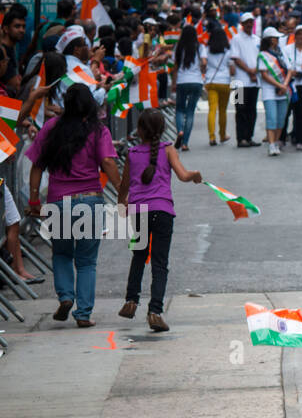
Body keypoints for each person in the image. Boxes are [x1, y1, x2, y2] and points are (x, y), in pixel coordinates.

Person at [26, 83, 121, 328]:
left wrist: (34, 199)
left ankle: (66, 296)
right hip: (90, 200)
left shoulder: (50, 128)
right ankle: (83, 313)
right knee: (87, 261)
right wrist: (123, 191)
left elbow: (37, 166)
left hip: (58, 202)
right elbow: (108, 163)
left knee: (62, 254)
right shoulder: (98, 131)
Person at [117, 108, 203, 332]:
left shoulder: (133, 153)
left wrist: (121, 206)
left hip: (138, 213)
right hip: (163, 212)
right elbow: (184, 176)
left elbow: (124, 186)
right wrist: (195, 175)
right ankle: (155, 310)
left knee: (138, 256)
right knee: (160, 263)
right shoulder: (168, 149)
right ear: (163, 129)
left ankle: (131, 300)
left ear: (140, 131)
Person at [256, 27, 291, 156]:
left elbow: (290, 70)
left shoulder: (281, 54)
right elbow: (264, 74)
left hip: (283, 89)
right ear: (270, 40)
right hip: (269, 90)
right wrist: (279, 85)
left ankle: (276, 142)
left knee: (281, 119)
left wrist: (285, 84)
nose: (278, 40)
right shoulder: (263, 55)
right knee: (272, 118)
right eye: (276, 38)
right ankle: (271, 144)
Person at [230, 15, 261, 147]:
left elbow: (261, 58)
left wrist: (255, 71)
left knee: (252, 110)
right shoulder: (236, 39)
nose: (249, 24)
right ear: (242, 24)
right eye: (247, 22)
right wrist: (249, 71)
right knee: (240, 109)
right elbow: (235, 58)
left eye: (251, 22)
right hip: (239, 81)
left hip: (254, 81)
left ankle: (249, 136)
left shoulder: (257, 39)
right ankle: (241, 138)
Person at [171, 25, 203, 151]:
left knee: (179, 109)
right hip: (196, 81)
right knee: (190, 112)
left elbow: (175, 67)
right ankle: (185, 143)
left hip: (182, 81)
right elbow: (204, 62)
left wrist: (174, 83)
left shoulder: (178, 48)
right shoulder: (200, 47)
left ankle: (180, 131)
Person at [203, 23, 233, 146]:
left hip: (211, 81)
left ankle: (211, 136)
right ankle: (222, 135)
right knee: (222, 110)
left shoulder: (207, 50)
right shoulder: (228, 52)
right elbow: (232, 70)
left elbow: (203, 65)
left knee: (212, 109)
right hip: (224, 82)